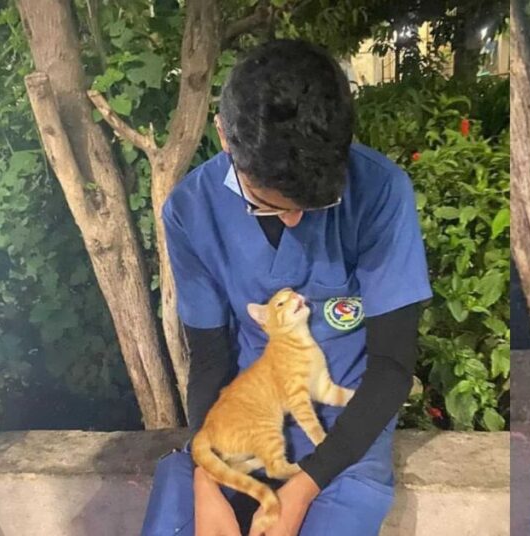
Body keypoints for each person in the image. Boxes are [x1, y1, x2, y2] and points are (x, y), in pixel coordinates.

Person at [140, 39, 431, 536]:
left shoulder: (380, 191)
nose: (294, 221)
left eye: (314, 207)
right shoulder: (191, 211)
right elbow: (210, 361)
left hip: (346, 435)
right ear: (223, 136)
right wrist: (208, 477)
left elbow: (391, 366)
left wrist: (302, 489)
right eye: (268, 205)